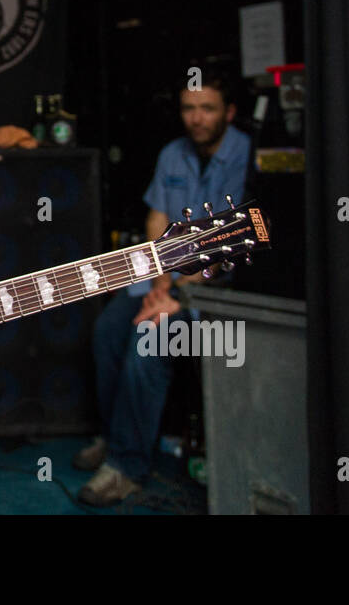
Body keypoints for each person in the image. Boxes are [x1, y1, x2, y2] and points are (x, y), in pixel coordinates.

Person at [74, 69, 250, 505]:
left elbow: (228, 244)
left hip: (217, 289)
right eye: (189, 108)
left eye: (207, 108)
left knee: (148, 341)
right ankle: (114, 436)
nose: (197, 118)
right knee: (109, 331)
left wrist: (174, 295)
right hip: (164, 278)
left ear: (228, 112)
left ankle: (126, 465)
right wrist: (159, 284)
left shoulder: (249, 155)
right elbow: (156, 221)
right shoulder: (173, 153)